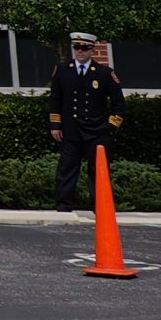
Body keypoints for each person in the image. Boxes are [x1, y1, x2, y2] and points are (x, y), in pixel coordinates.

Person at [49, 32, 126, 210]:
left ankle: (100, 205)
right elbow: (55, 99)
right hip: (70, 129)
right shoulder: (62, 69)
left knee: (97, 170)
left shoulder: (104, 73)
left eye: (84, 48)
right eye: (77, 47)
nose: (80, 51)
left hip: (97, 131)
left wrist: (110, 126)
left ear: (92, 50)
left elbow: (119, 102)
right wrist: (55, 125)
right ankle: (64, 205)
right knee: (67, 168)